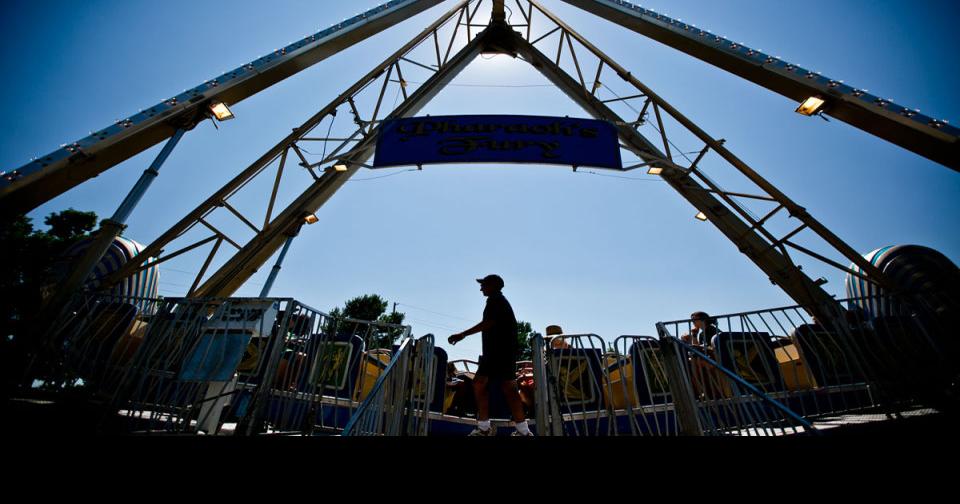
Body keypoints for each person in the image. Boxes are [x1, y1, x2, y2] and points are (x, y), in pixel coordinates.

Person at [448, 274, 533, 437]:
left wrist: (462, 334)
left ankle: (485, 428)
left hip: (497, 353)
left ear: (493, 285)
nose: (481, 288)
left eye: (484, 285)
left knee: (481, 384)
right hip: (503, 353)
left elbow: (488, 323)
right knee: (506, 388)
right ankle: (523, 431)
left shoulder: (496, 301)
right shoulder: (498, 301)